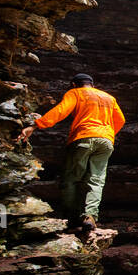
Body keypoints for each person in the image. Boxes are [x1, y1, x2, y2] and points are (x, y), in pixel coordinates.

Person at [16, 73, 125, 233]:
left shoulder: (75, 93)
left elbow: (61, 110)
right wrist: (107, 133)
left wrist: (36, 125)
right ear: (92, 84)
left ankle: (72, 219)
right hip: (106, 141)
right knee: (96, 180)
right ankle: (90, 216)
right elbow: (120, 119)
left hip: (83, 137)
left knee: (71, 179)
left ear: (74, 84)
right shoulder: (108, 97)